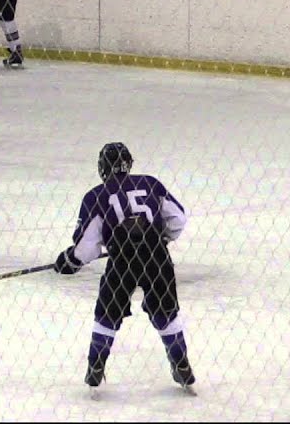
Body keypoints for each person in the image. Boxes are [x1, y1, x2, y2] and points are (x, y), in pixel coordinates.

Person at [53, 143, 196, 394]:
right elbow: (178, 220)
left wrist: (71, 261)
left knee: (107, 313)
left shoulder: (95, 195)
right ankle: (180, 362)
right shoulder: (152, 183)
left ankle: (96, 366)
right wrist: (159, 239)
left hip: (121, 262)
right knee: (165, 313)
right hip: (157, 258)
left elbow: (88, 245)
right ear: (128, 163)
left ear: (102, 167)